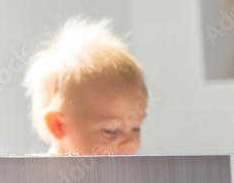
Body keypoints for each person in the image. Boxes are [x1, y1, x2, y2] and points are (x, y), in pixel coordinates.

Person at [23, 17, 147, 155]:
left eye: (136, 129)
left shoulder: (121, 174)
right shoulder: (38, 175)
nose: (130, 143)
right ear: (57, 124)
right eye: (111, 131)